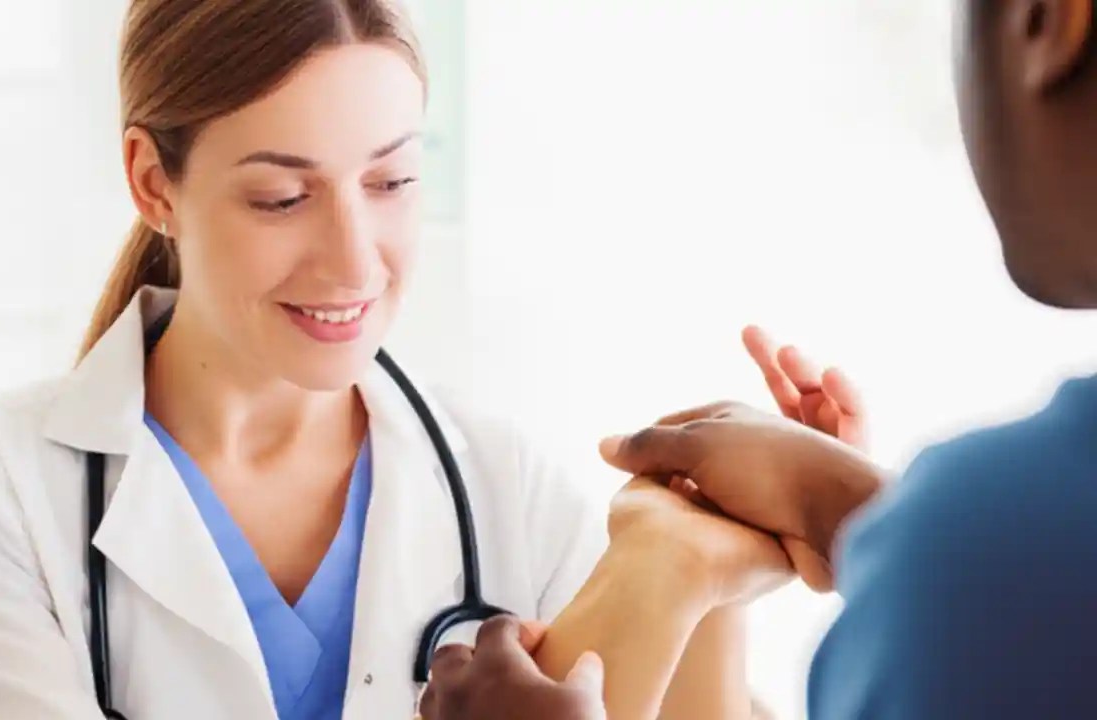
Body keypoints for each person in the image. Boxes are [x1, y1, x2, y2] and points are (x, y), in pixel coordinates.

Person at [0, 1, 854, 718]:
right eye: (280, 198)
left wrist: (708, 551)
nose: (354, 259)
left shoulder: (497, 481)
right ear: (153, 181)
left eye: (390, 180)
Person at [422, 0, 1097, 717]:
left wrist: (924, 540)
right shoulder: (1002, 549)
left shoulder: (988, 561)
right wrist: (837, 504)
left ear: (1046, 19)